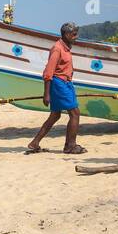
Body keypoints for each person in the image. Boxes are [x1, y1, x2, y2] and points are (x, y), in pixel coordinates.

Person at [26, 22, 85, 154]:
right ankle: (70, 146)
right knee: (75, 113)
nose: (76, 37)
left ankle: (35, 142)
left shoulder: (66, 48)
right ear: (66, 34)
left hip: (66, 84)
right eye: (74, 34)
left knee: (55, 115)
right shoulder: (57, 49)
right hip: (59, 84)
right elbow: (48, 72)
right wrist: (46, 94)